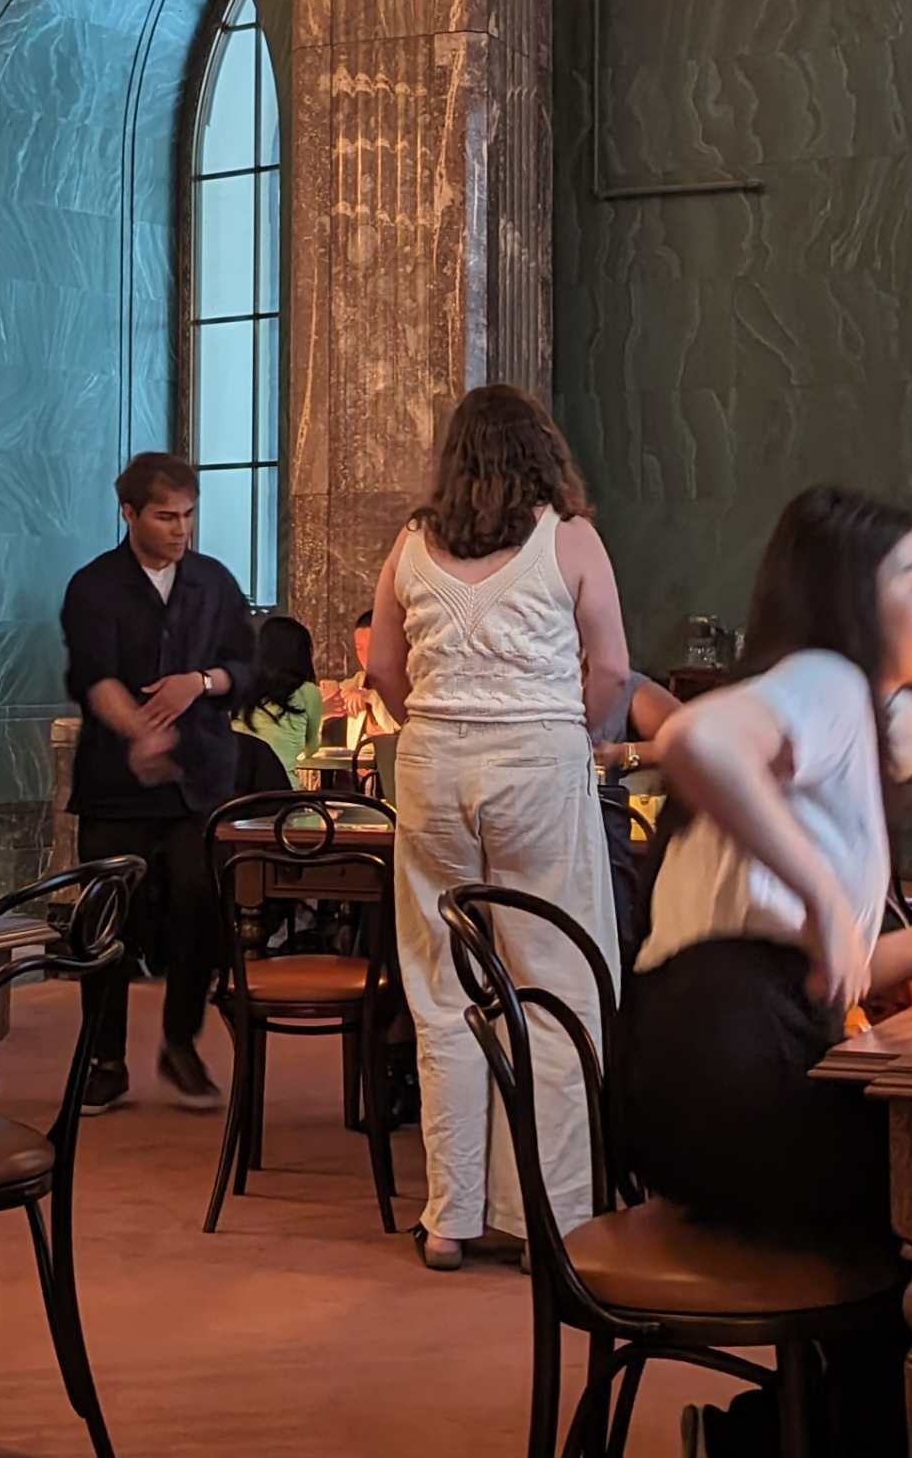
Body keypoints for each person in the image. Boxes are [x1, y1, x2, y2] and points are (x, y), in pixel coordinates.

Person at [617, 486, 912, 1457]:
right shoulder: (828, 681)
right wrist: (832, 900)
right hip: (730, 1070)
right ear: (851, 598)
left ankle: (778, 1438)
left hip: (693, 1065)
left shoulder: (840, 702)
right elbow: (692, 737)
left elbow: (789, 949)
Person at [363, 383, 631, 1271]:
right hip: (537, 764)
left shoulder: (411, 545)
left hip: (433, 763)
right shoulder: (569, 539)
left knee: (443, 991)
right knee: (551, 985)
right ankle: (542, 1219)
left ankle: (451, 1216)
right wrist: (575, 735)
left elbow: (383, 669)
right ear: (541, 455)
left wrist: (436, 724)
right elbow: (615, 669)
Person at [59, 453, 254, 1114]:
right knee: (105, 923)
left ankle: (181, 1044)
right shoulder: (94, 586)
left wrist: (200, 683)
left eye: (189, 515)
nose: (181, 530)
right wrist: (139, 731)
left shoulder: (215, 583)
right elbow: (93, 676)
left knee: (200, 910)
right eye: (166, 516)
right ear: (129, 514)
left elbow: (248, 668)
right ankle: (104, 1061)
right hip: (117, 784)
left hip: (199, 781)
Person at [319, 606, 404, 798]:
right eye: (359, 649)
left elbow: (403, 727)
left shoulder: (408, 683)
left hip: (395, 781)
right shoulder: (355, 683)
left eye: (372, 648)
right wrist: (324, 704)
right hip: (356, 783)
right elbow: (330, 702)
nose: (365, 656)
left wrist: (370, 698)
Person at [228, 611, 321, 785]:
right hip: (282, 797)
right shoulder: (308, 692)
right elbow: (312, 747)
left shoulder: (241, 690)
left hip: (235, 800)